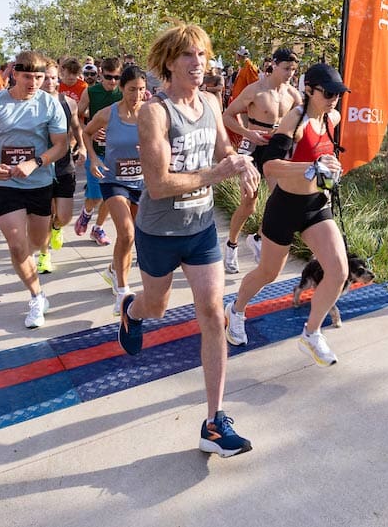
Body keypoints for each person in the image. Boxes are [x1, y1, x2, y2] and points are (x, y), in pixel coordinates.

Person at [117, 23, 259, 457]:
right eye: (188, 57)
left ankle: (214, 423)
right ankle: (131, 310)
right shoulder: (154, 113)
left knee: (213, 314)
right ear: (169, 63)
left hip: (199, 231)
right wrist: (218, 174)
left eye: (202, 55)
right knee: (155, 306)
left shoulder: (212, 102)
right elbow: (157, 186)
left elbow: (221, 150)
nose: (199, 63)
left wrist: (241, 164)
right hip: (159, 231)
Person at [225, 62, 349, 366]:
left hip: (316, 205)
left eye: (338, 93)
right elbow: (270, 166)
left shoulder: (332, 118)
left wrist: (331, 168)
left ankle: (312, 333)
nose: (334, 98)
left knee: (339, 271)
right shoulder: (295, 120)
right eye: (328, 92)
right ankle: (236, 309)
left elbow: (326, 154)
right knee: (269, 273)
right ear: (309, 90)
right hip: (284, 206)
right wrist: (310, 167)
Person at [0, 51, 70, 329]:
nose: (34, 83)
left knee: (37, 242)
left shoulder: (49, 105)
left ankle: (37, 258)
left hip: (38, 181)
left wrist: (35, 162)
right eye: (28, 77)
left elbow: (60, 145)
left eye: (39, 77)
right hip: (5, 184)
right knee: (16, 244)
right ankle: (37, 296)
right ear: (14, 73)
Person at [220, 48, 302, 273]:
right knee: (249, 203)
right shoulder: (255, 90)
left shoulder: (293, 94)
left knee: (281, 201)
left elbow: (303, 122)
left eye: (293, 70)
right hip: (254, 145)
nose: (289, 74)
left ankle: (258, 238)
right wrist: (248, 133)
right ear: (274, 65)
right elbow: (227, 115)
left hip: (276, 147)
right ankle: (232, 245)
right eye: (286, 69)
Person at [84, 64, 148, 315]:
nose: (137, 95)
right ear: (121, 88)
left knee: (137, 235)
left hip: (142, 182)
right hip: (114, 180)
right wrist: (94, 159)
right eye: (132, 90)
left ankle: (113, 269)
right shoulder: (108, 114)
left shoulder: (151, 113)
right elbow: (86, 133)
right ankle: (122, 291)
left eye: (141, 89)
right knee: (126, 233)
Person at [34, 61, 85, 274]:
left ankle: (57, 228)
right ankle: (44, 256)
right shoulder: (30, 104)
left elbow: (76, 128)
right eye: (45, 77)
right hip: (40, 166)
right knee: (45, 213)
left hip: (64, 164)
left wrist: (81, 146)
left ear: (59, 78)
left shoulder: (68, 103)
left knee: (63, 216)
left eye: (53, 77)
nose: (50, 82)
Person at [73, 57, 123, 245]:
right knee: (95, 196)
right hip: (96, 151)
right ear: (101, 74)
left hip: (117, 152)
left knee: (110, 196)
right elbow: (76, 115)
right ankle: (86, 213)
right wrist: (90, 130)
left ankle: (98, 228)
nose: (112, 82)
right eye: (109, 77)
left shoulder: (125, 92)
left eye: (117, 78)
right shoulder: (91, 91)